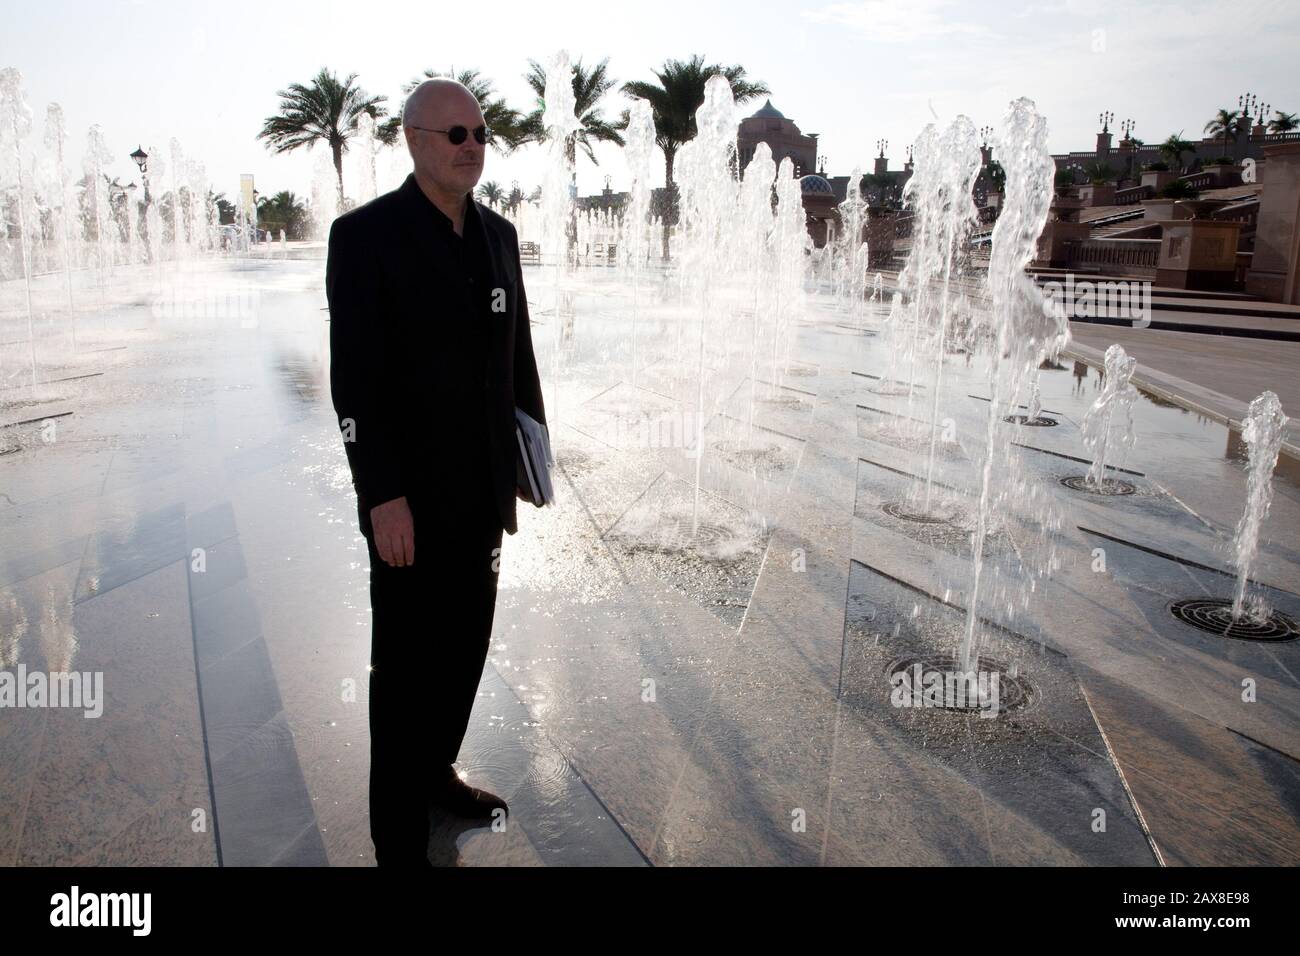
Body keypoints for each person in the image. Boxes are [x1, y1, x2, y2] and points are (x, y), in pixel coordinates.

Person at [326, 78, 546, 868]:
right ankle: (395, 835)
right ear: (415, 140)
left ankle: (436, 773)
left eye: (481, 133)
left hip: (481, 493)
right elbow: (355, 379)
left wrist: (529, 449)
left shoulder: (497, 234)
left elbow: (516, 352)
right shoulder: (366, 237)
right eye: (456, 133)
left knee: (466, 645)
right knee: (406, 666)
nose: (472, 145)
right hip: (409, 501)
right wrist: (381, 494)